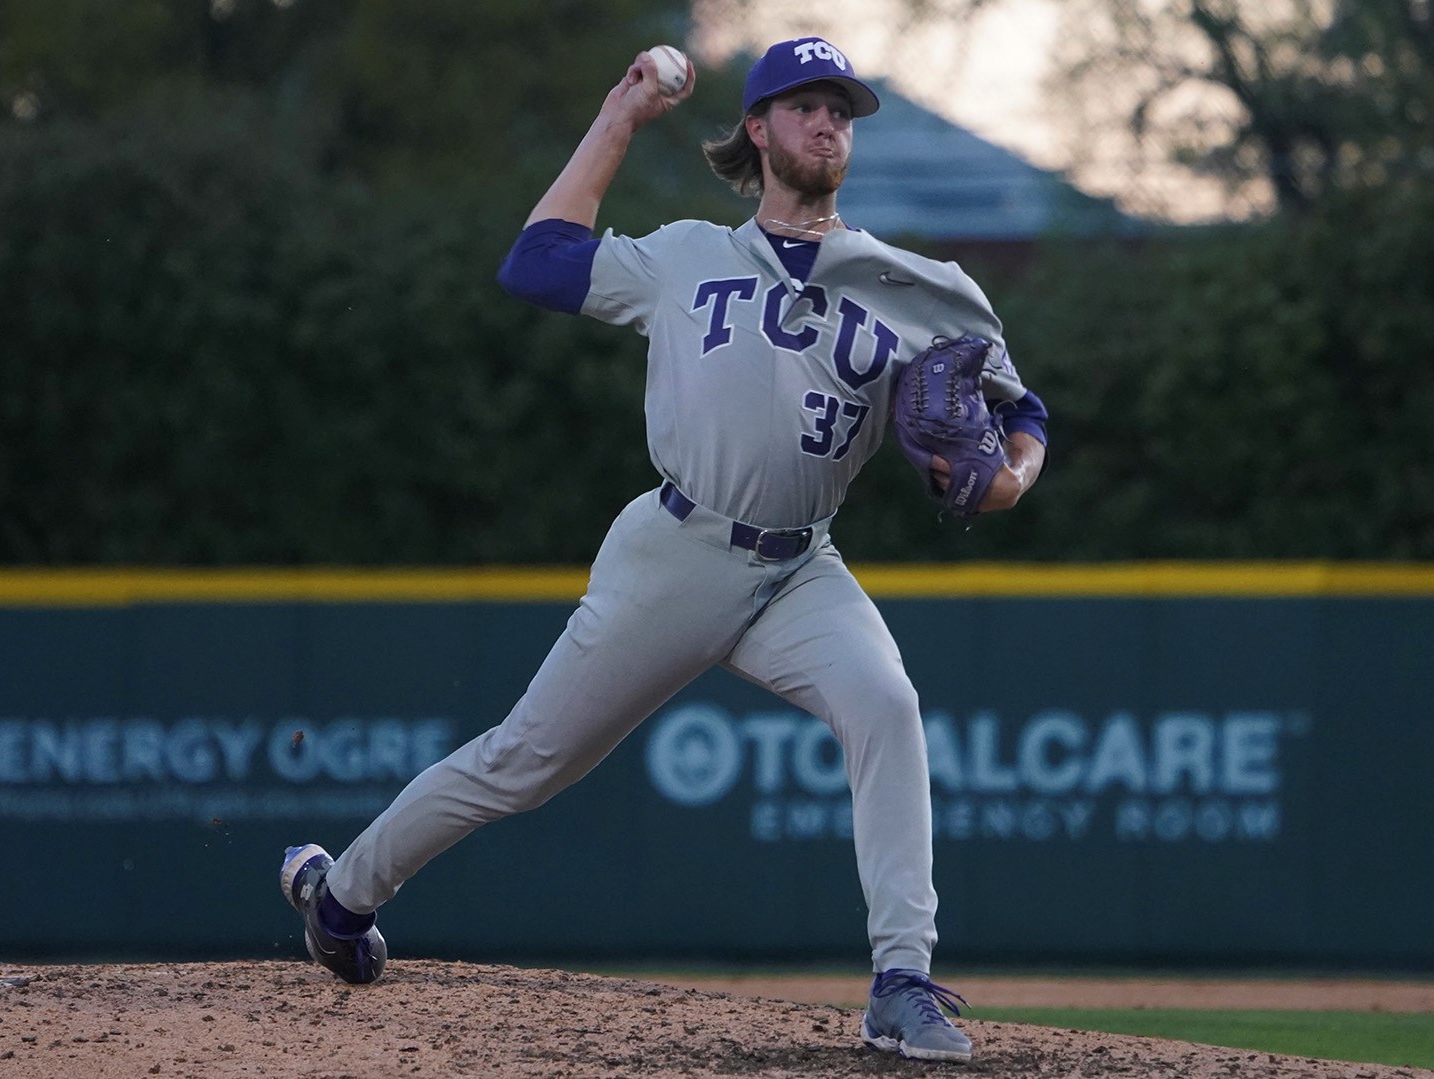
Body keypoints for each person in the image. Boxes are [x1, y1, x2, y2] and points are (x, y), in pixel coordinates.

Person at [280, 36, 1048, 1064]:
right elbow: (536, 262)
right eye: (807, 105)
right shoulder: (685, 256)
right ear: (760, 129)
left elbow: (1022, 405)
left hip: (799, 567)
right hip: (676, 550)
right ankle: (342, 896)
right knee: (524, 761)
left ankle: (900, 980)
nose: (830, 123)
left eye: (843, 110)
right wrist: (618, 118)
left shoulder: (919, 285)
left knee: (887, 704)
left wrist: (1015, 471)